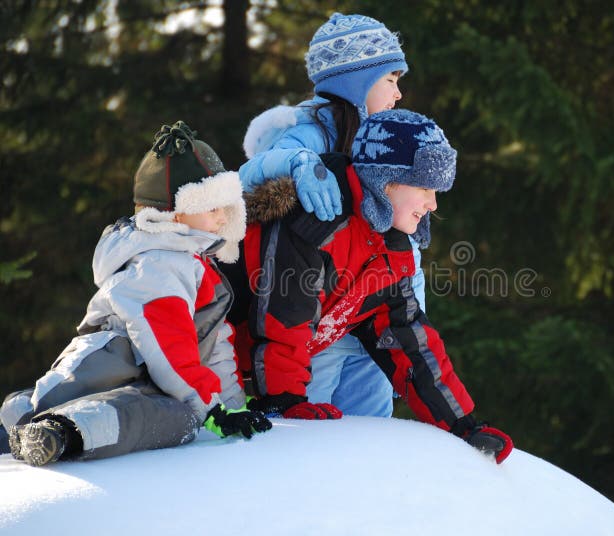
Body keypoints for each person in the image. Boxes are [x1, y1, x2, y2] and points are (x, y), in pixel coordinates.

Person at [228, 109, 513, 463]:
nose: (433, 203)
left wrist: (463, 425)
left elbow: (411, 343)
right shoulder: (316, 220)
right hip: (203, 364)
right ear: (385, 181)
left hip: (247, 382)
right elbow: (283, 316)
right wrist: (284, 401)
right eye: (424, 187)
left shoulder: (389, 248)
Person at [0, 121, 271, 466]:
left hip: (144, 373)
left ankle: (36, 422)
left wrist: (234, 408)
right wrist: (211, 410)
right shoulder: (159, 264)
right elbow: (169, 345)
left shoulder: (195, 263)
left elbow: (213, 343)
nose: (222, 217)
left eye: (225, 206)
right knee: (174, 418)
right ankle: (59, 432)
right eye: (211, 207)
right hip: (109, 366)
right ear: (172, 212)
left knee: (172, 412)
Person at [234, 12, 425, 417]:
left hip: (370, 325)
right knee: (309, 434)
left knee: (368, 437)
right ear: (355, 83)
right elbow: (247, 179)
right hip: (317, 326)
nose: (399, 94)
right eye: (390, 80)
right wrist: (297, 162)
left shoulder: (384, 144)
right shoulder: (312, 132)